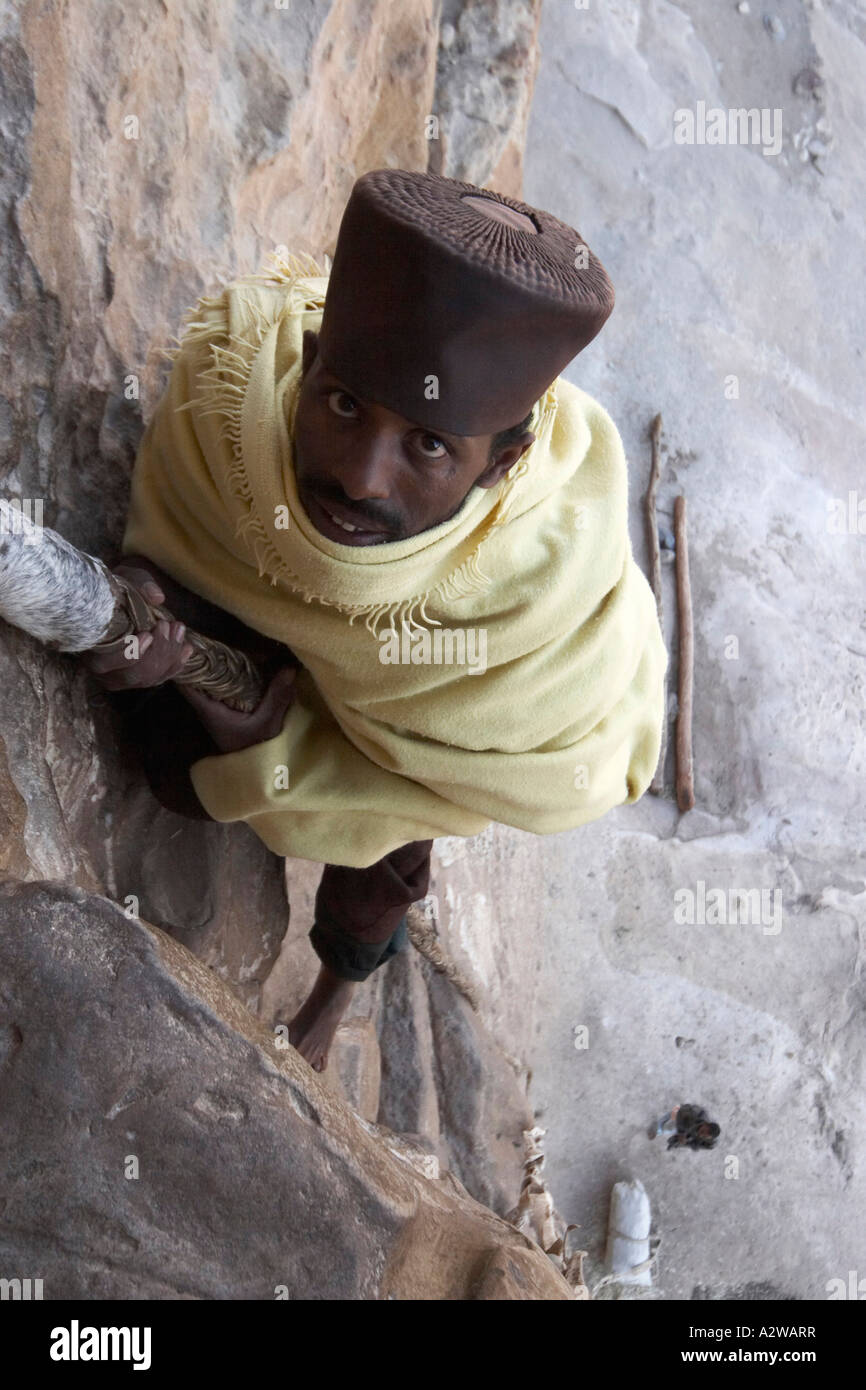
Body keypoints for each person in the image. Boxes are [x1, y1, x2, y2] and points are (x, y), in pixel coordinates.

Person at [85, 169, 668, 1073]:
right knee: (166, 755)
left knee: (397, 818)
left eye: (429, 445)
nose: (360, 478)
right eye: (343, 403)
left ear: (501, 465)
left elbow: (460, 773)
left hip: (425, 708)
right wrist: (156, 609)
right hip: (275, 645)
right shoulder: (227, 408)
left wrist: (302, 745)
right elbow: (175, 541)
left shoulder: (526, 601)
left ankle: (340, 986)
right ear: (312, 356)